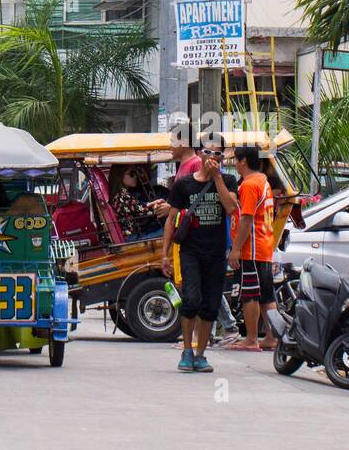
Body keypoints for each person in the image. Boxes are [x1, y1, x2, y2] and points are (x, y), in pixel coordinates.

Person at [160, 138, 237, 373]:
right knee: (191, 299)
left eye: (218, 153)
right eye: (208, 151)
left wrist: (217, 178)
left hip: (216, 253)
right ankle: (187, 349)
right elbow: (171, 219)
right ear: (199, 153)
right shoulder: (183, 185)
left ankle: (201, 354)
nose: (212, 156)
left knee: (210, 305)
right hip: (191, 251)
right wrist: (164, 255)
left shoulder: (229, 181)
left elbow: (231, 208)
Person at [225, 146, 277, 352]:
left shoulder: (249, 185)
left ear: (244, 161)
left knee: (250, 294)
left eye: (236, 160)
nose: (234, 164)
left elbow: (246, 218)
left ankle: (252, 338)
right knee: (266, 296)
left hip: (251, 249)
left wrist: (236, 249)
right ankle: (271, 337)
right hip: (263, 246)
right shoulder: (263, 181)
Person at [110, 164, 160, 238]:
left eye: (136, 173)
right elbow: (144, 209)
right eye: (132, 173)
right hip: (133, 237)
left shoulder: (122, 194)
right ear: (120, 176)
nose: (136, 176)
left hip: (135, 234)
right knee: (168, 231)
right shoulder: (121, 196)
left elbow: (139, 207)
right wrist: (164, 206)